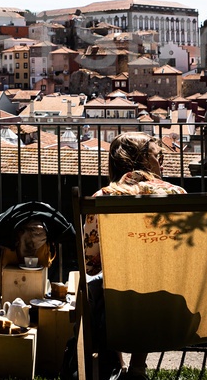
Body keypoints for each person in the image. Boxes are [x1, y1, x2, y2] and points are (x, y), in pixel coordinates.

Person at [82, 132, 185, 380]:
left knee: (107, 282)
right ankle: (137, 368)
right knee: (150, 279)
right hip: (175, 310)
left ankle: (117, 365)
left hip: (117, 311)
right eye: (158, 157)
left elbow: (91, 265)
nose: (162, 164)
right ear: (142, 160)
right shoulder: (178, 195)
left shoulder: (103, 199)